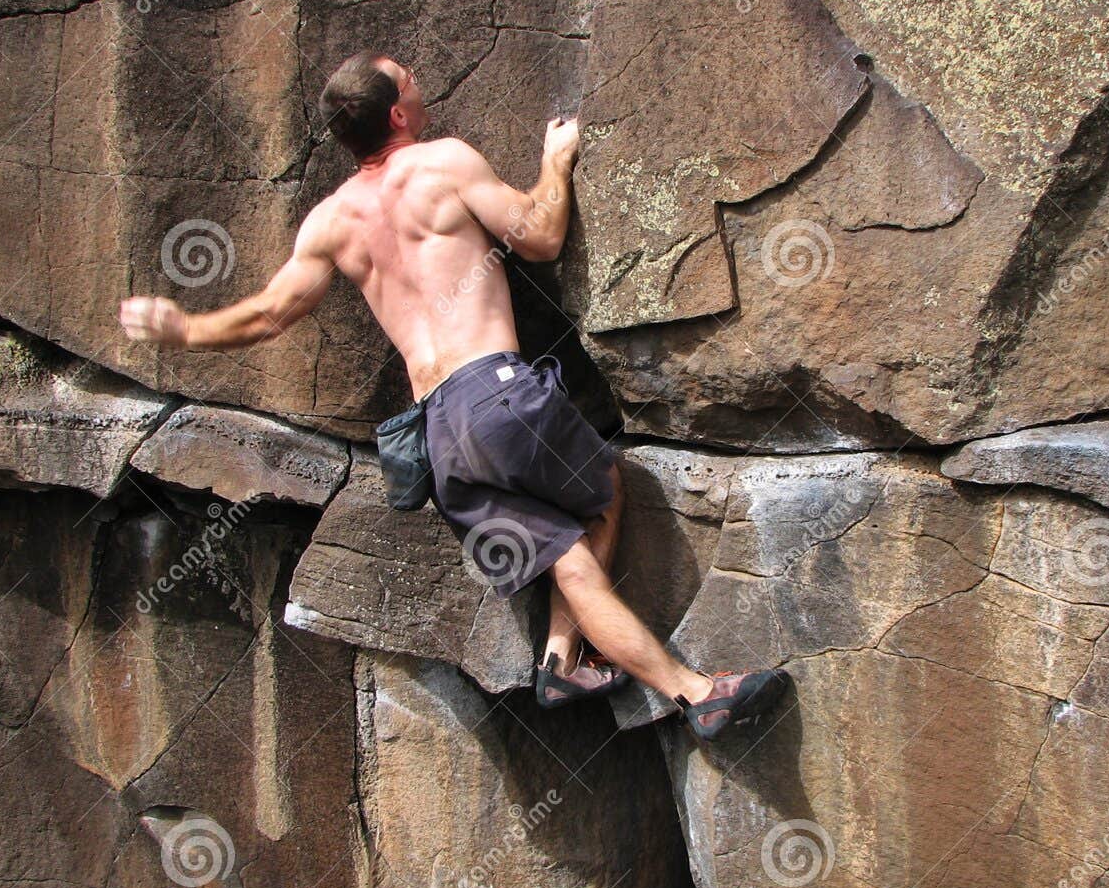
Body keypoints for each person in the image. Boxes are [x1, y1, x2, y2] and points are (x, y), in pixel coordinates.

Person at [118, 51, 788, 740]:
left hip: (438, 440)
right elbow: (542, 235)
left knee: (568, 558)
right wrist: (555, 162)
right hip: (497, 397)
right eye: (409, 78)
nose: (419, 81)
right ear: (398, 114)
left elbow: (267, 315)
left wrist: (185, 329)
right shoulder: (443, 163)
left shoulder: (329, 221)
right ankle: (668, 683)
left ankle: (582, 666)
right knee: (606, 489)